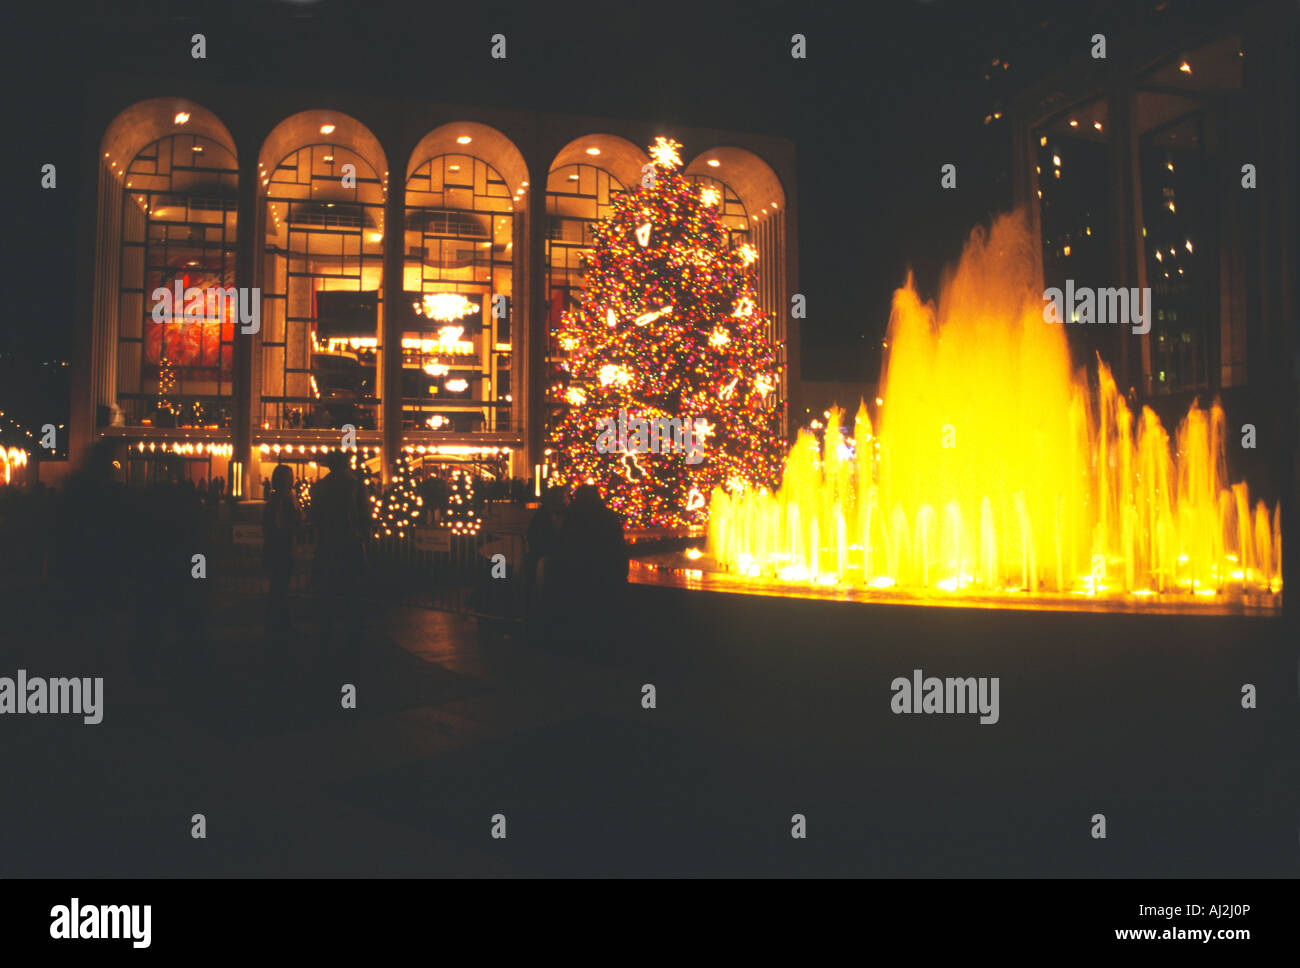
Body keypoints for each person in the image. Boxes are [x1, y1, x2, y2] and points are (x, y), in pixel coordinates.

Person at [310, 452, 365, 676]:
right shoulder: (355, 485)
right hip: (349, 541)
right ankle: (351, 630)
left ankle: (327, 628)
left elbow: (315, 516)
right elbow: (363, 514)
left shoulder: (321, 487)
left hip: (327, 543)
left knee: (328, 588)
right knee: (351, 587)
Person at [551, 484, 627, 647]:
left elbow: (564, 543)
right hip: (604, 571)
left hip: (579, 572)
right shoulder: (608, 517)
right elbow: (617, 546)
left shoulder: (573, 517)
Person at [262, 464, 299, 665]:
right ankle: (280, 623)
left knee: (278, 587)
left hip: (277, 549)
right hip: (283, 549)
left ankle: (277, 622)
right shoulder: (284, 500)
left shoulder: (274, 499)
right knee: (280, 587)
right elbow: (283, 525)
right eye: (290, 476)